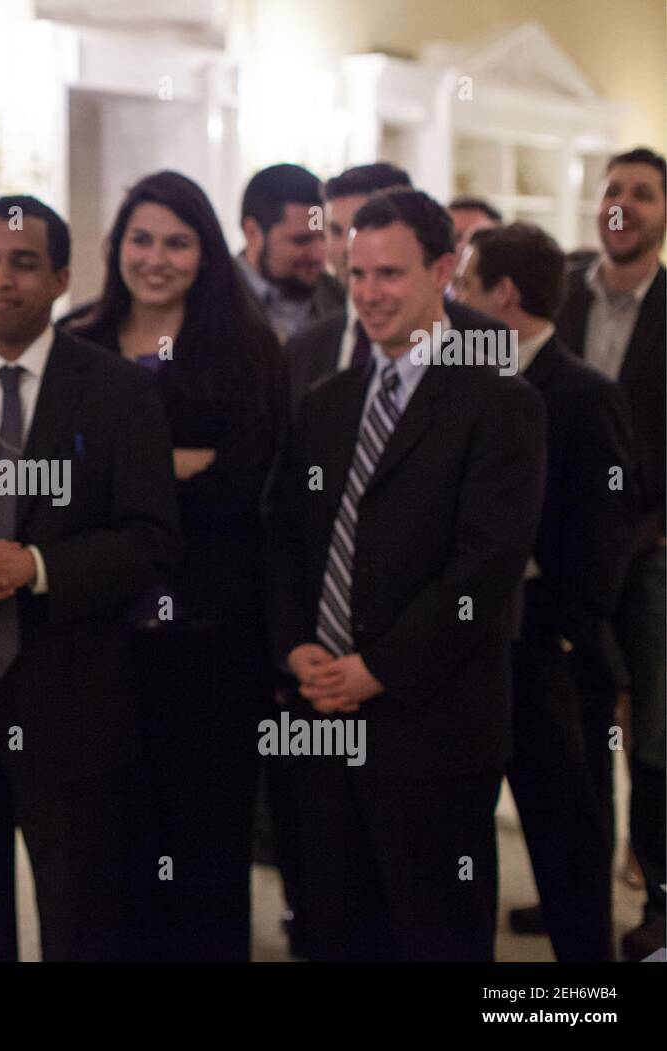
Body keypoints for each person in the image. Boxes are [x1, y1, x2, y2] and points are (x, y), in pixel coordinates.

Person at [265, 189, 546, 961]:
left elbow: (483, 572)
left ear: (444, 270)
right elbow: (285, 538)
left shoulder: (500, 401)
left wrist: (376, 670)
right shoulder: (328, 400)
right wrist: (296, 648)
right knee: (331, 930)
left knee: (435, 937)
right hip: (319, 718)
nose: (369, 293)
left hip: (433, 727)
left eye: (390, 274)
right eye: (357, 274)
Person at [0, 195, 180, 961]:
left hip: (70, 694)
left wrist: (36, 566)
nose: (1, 279)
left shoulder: (118, 390)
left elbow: (153, 540)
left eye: (24, 262)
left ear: (63, 276)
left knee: (83, 919)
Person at [66, 170, 285, 960]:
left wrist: (137, 480)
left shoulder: (246, 351)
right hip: (96, 637)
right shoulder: (78, 342)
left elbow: (247, 489)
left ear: (208, 252)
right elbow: (67, 497)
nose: (155, 257)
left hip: (212, 636)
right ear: (117, 245)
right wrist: (174, 467)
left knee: (204, 845)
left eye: (178, 242)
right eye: (142, 238)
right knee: (110, 844)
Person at [455, 222, 639, 961]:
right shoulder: (463, 380)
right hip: (472, 647)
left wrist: (564, 630)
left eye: (465, 284)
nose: (453, 298)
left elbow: (606, 530)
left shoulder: (583, 392)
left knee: (568, 838)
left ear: (503, 295)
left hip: (551, 655)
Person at [554, 146, 666, 961]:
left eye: (643, 194)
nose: (622, 205)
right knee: (572, 728)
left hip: (654, 552)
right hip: (561, 553)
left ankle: (659, 899)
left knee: (656, 739)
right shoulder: (558, 293)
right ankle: (577, 893)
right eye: (613, 191)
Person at [286, 167, 500, 413]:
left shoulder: (485, 338)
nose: (348, 247)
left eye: (364, 225)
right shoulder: (302, 348)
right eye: (335, 231)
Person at [235, 163, 345, 343]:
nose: (319, 255)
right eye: (302, 240)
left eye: (324, 238)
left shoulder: (339, 298)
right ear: (252, 233)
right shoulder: (206, 299)